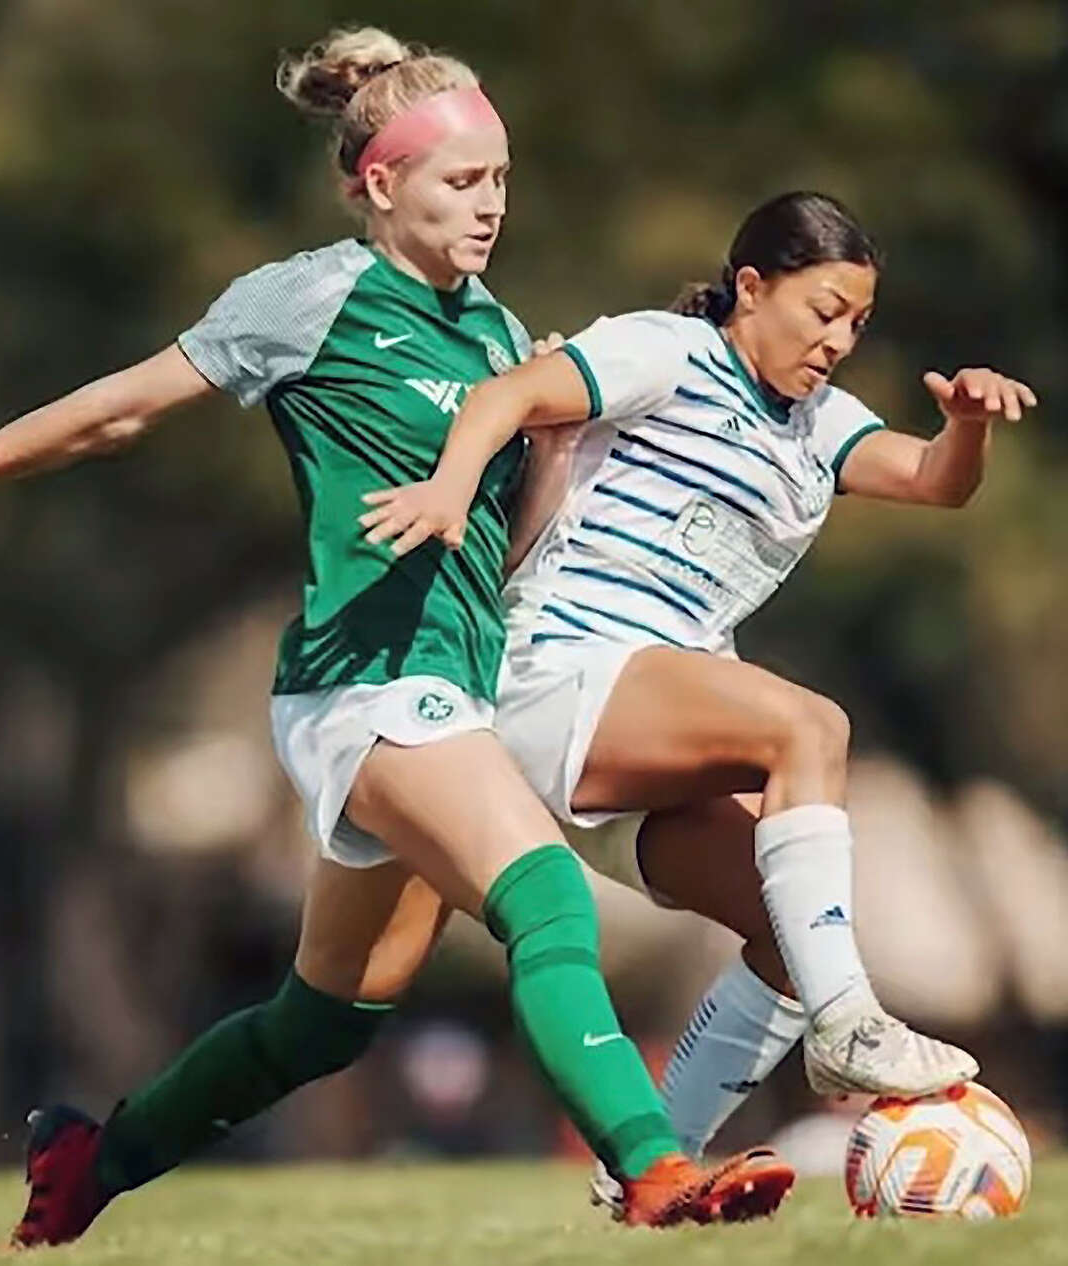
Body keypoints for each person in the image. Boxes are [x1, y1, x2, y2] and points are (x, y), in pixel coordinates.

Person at [0, 27, 795, 1246]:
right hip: (362, 688)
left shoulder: (493, 333)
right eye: (462, 182)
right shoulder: (313, 296)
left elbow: (499, 557)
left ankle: (91, 1160)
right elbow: (119, 412)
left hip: (449, 695)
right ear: (380, 184)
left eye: (502, 180)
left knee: (329, 1018)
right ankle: (657, 1171)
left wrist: (553, 463)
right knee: (548, 902)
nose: (490, 206)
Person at [360, 190, 1036, 1173]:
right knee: (810, 727)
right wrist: (448, 489)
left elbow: (937, 479)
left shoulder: (821, 423)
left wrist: (967, 423)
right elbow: (505, 395)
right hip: (560, 675)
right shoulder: (666, 352)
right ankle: (851, 1024)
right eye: (824, 310)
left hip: (639, 741)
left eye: (859, 321)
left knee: (788, 937)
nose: (840, 338)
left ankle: (653, 1173)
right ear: (751, 288)